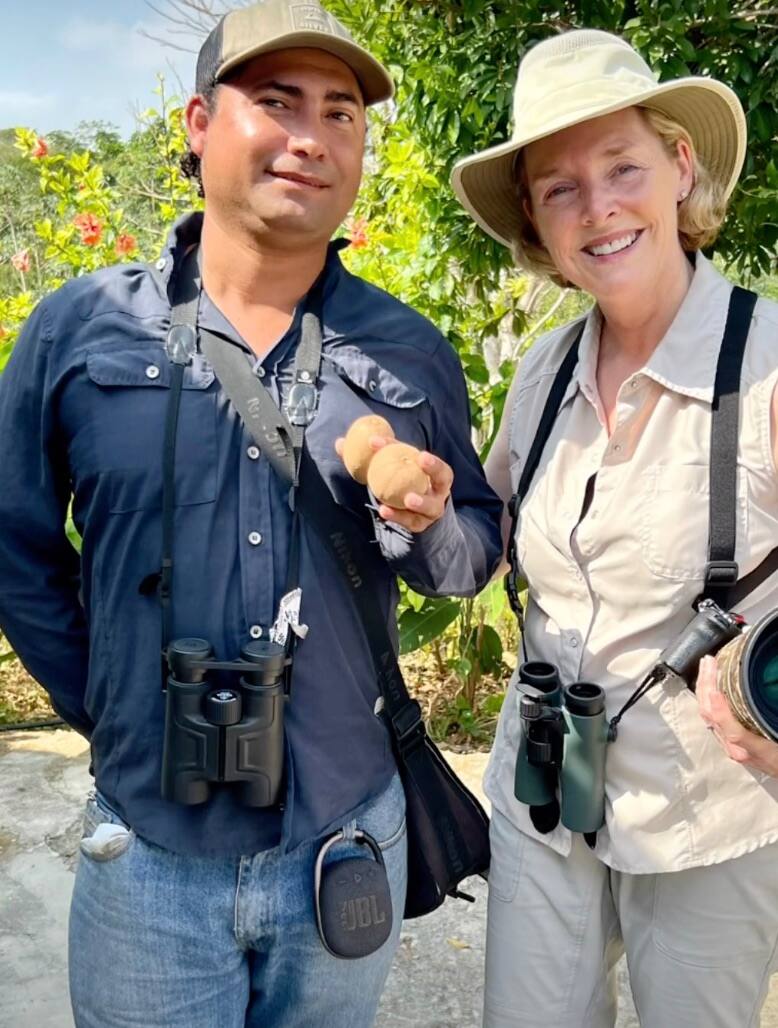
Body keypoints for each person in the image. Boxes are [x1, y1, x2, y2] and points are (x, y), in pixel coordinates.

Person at [0, 2, 503, 1025]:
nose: (311, 136)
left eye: (341, 112)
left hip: (343, 838)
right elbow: (14, 544)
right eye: (274, 102)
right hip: (146, 852)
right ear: (197, 122)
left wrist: (423, 517)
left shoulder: (407, 351)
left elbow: (467, 560)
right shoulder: (78, 327)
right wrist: (109, 701)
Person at [452, 28, 778, 1028]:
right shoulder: (543, 371)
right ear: (536, 225)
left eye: (622, 167)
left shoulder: (765, 363)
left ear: (679, 168)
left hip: (709, 813)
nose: (598, 208)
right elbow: (483, 527)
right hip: (545, 785)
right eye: (558, 187)